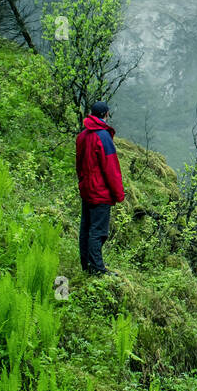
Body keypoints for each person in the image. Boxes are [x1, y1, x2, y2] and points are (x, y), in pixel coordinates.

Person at [75, 101, 125, 276]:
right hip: (100, 193)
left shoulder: (82, 136)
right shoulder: (103, 137)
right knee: (98, 232)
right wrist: (119, 194)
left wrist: (82, 183)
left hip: (87, 190)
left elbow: (79, 165)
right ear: (105, 114)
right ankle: (97, 270)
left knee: (86, 229)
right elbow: (111, 169)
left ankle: (86, 266)